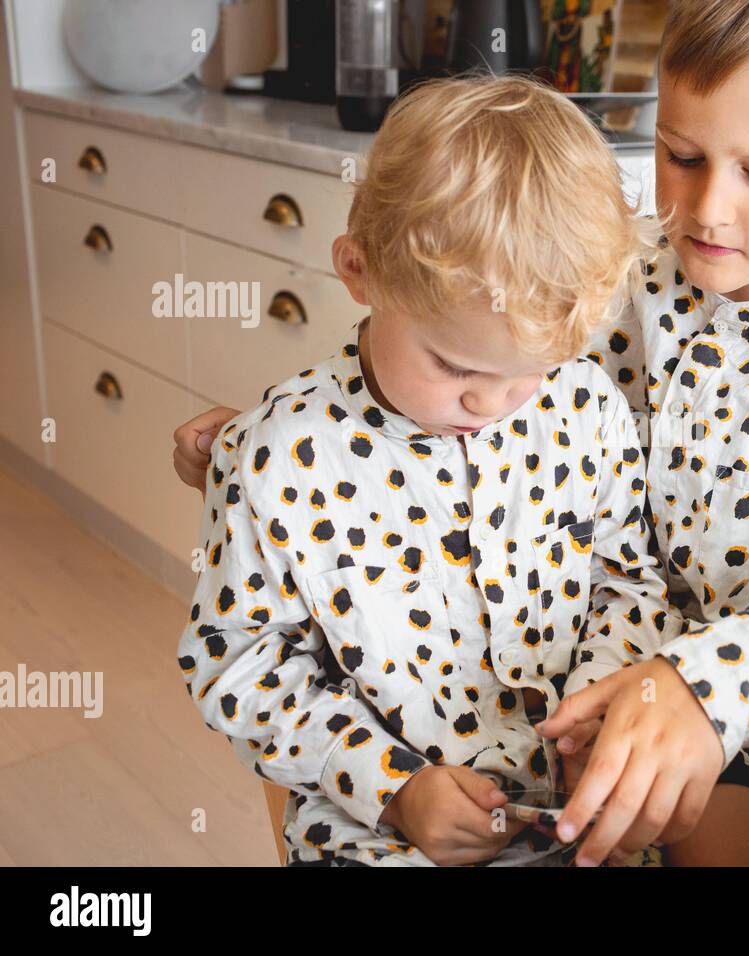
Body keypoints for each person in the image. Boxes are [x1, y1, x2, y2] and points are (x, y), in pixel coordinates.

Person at [173, 0, 749, 867]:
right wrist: (277, 442)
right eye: (681, 157)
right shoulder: (611, 270)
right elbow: (442, 342)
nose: (709, 211)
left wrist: (704, 682)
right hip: (551, 747)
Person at [176, 75, 677, 867]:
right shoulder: (276, 458)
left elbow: (630, 586)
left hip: (580, 816)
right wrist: (390, 785)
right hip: (382, 838)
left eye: (530, 373)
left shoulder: (587, 407)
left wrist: (597, 718)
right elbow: (234, 664)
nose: (493, 402)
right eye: (451, 364)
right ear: (359, 272)